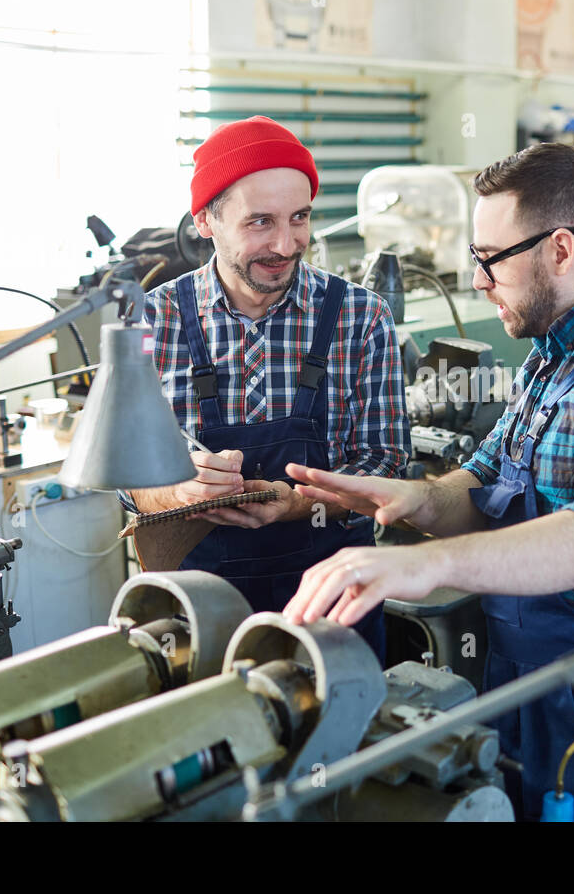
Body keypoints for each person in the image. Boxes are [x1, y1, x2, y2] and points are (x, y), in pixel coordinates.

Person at [281, 142, 574, 820]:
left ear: (559, 249)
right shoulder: (554, 357)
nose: (477, 281)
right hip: (526, 679)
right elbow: (490, 482)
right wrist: (419, 500)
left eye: (489, 259)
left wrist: (430, 565)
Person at [126, 116, 410, 660]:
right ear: (206, 219)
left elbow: (387, 465)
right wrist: (178, 493)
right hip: (198, 612)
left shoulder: (360, 317)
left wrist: (296, 503)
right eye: (260, 222)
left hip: (332, 601)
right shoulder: (151, 322)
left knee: (348, 735)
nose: (286, 243)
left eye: (299, 218)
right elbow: (126, 477)